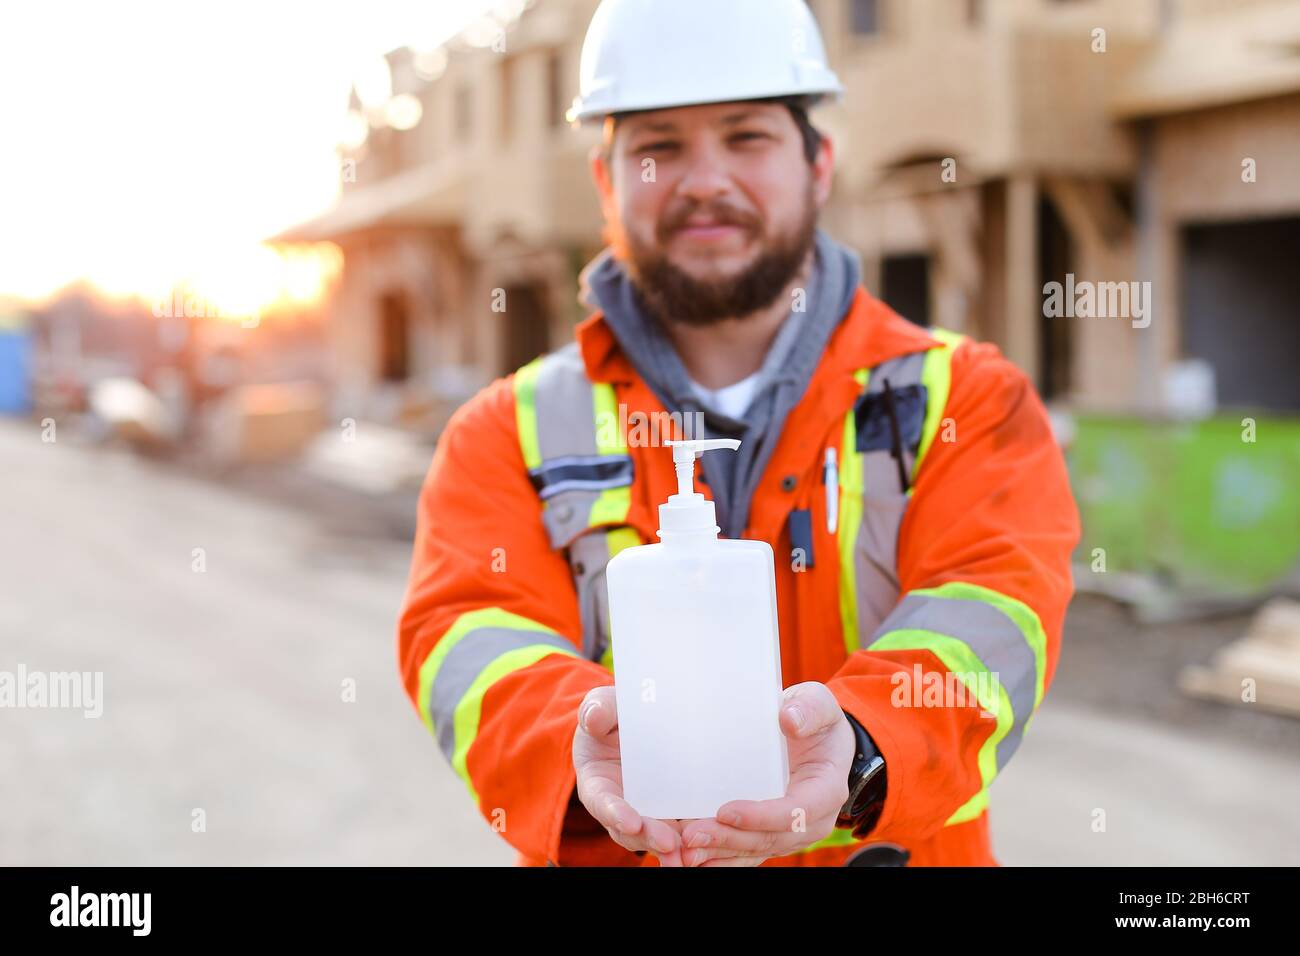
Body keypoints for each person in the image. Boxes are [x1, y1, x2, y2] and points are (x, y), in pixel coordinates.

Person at [397, 0, 1080, 867]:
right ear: (606, 181)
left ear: (819, 164)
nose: (705, 180)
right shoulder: (508, 433)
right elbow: (468, 635)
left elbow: (995, 611)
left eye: (747, 136)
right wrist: (579, 739)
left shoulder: (966, 402)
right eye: (659, 146)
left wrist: (865, 746)